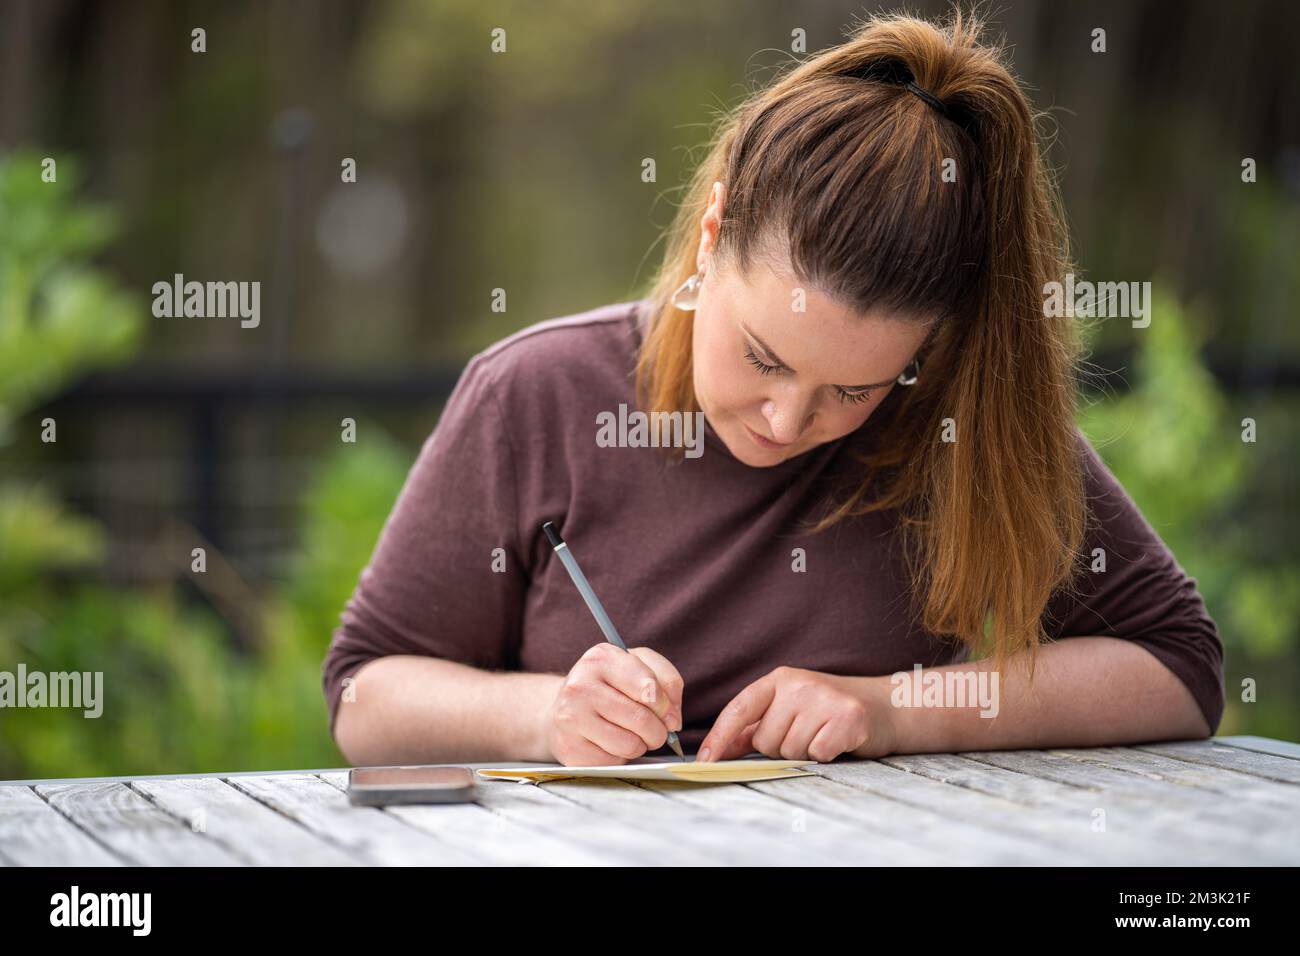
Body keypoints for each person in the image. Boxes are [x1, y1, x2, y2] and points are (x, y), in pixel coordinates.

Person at [321, 10, 1224, 768]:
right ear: (714, 231)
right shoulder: (535, 396)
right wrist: (547, 713)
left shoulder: (956, 419)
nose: (791, 420)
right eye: (762, 358)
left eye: (855, 389)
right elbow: (365, 696)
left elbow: (1178, 670)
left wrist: (897, 711)